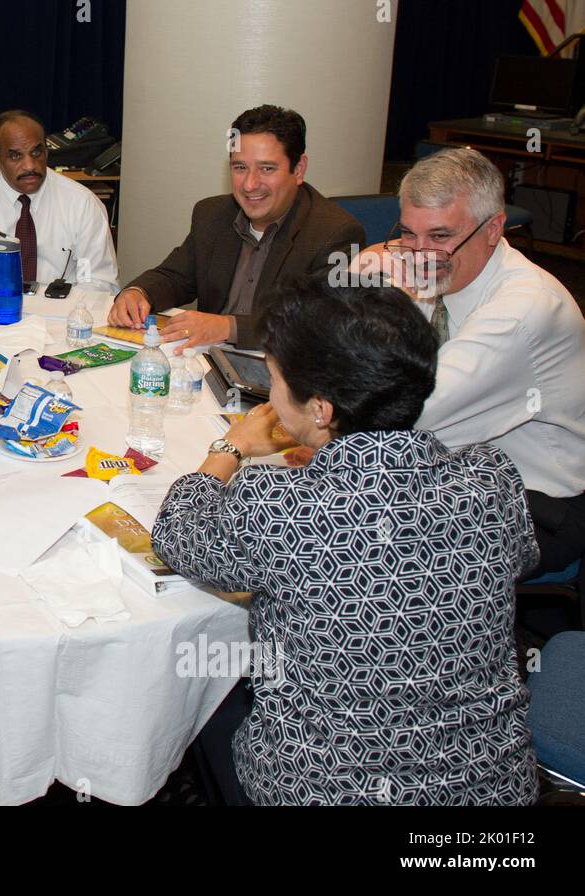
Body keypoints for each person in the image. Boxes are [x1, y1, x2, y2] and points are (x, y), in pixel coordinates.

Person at [152, 275, 539, 805]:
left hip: (325, 788)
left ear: (321, 410)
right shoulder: (493, 479)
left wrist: (233, 444)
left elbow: (176, 531)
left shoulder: (280, 505)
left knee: (194, 704)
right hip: (489, 793)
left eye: (276, 380)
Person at [360, 147, 585, 579]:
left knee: (369, 547)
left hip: (539, 500)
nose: (420, 253)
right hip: (461, 467)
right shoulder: (447, 267)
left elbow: (413, 413)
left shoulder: (523, 311)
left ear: (494, 228)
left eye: (440, 236)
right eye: (408, 233)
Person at [108, 105, 364, 351]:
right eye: (240, 167)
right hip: (205, 362)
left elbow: (325, 325)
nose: (250, 184)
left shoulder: (334, 233)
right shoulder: (212, 215)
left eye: (267, 168)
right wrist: (137, 292)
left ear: (298, 170)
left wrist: (228, 327)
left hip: (283, 375)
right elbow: (176, 277)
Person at [0, 109, 118, 294]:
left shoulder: (82, 204)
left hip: (57, 318)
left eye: (36, 152)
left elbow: (98, 282)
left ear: (47, 152)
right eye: (15, 156)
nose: (30, 165)